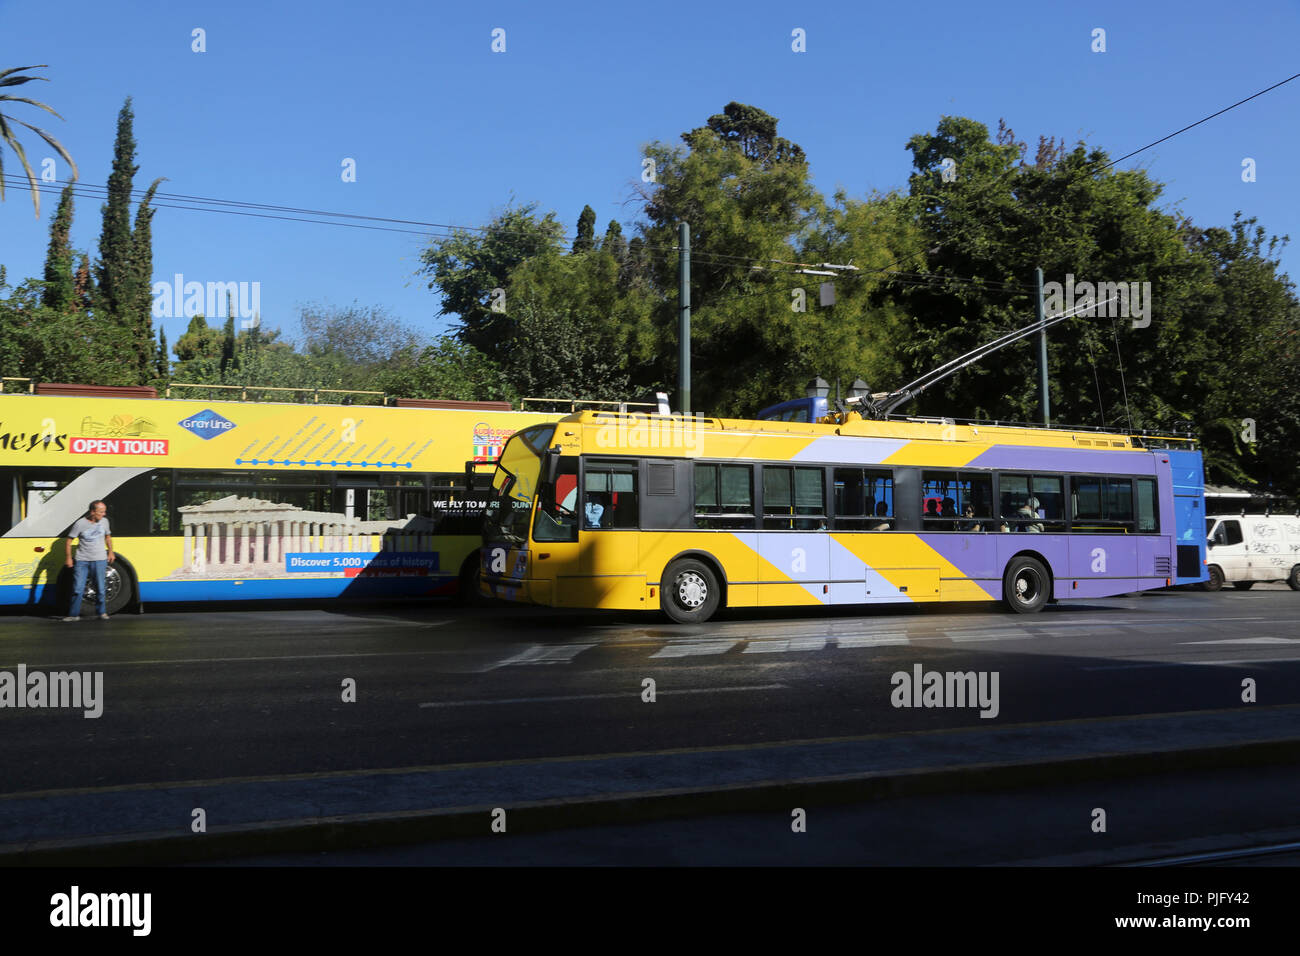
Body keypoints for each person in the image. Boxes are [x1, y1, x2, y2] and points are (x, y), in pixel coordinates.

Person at [63, 499, 113, 621]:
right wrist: (69, 558)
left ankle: (101, 612)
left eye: (104, 511)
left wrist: (111, 551)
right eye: (101, 512)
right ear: (92, 512)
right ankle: (73, 615)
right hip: (82, 560)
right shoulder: (80, 524)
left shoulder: (105, 522)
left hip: (100, 559)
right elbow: (69, 542)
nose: (103, 514)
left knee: (100, 588)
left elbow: (108, 537)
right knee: (77, 589)